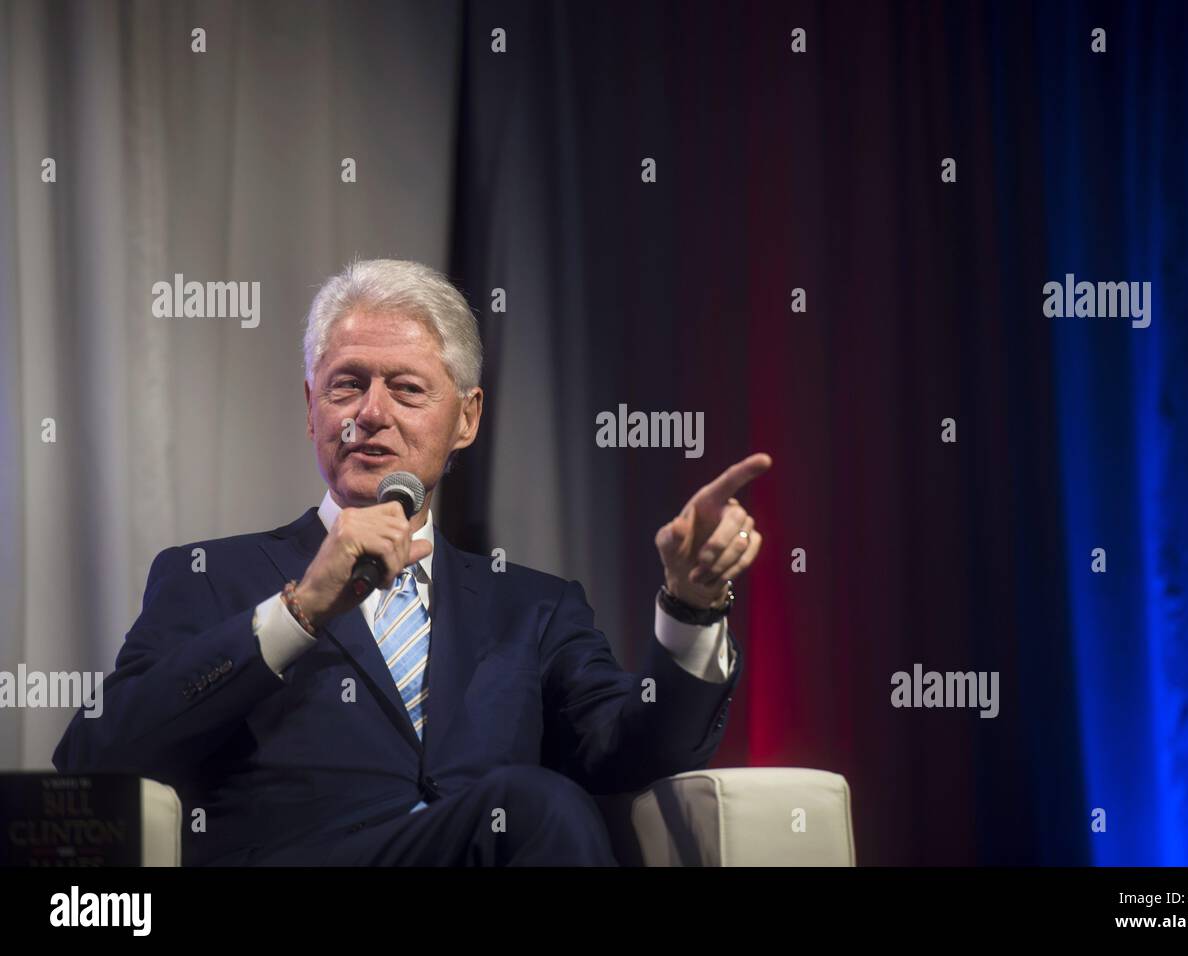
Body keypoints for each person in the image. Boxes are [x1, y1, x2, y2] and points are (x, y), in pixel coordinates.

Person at [52, 259, 770, 865]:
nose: (370, 412)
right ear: (311, 409)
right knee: (535, 802)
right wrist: (298, 612)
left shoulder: (534, 608)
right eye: (346, 384)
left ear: (466, 418)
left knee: (542, 805)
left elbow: (635, 751)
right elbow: (95, 757)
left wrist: (690, 607)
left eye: (407, 389)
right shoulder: (210, 577)